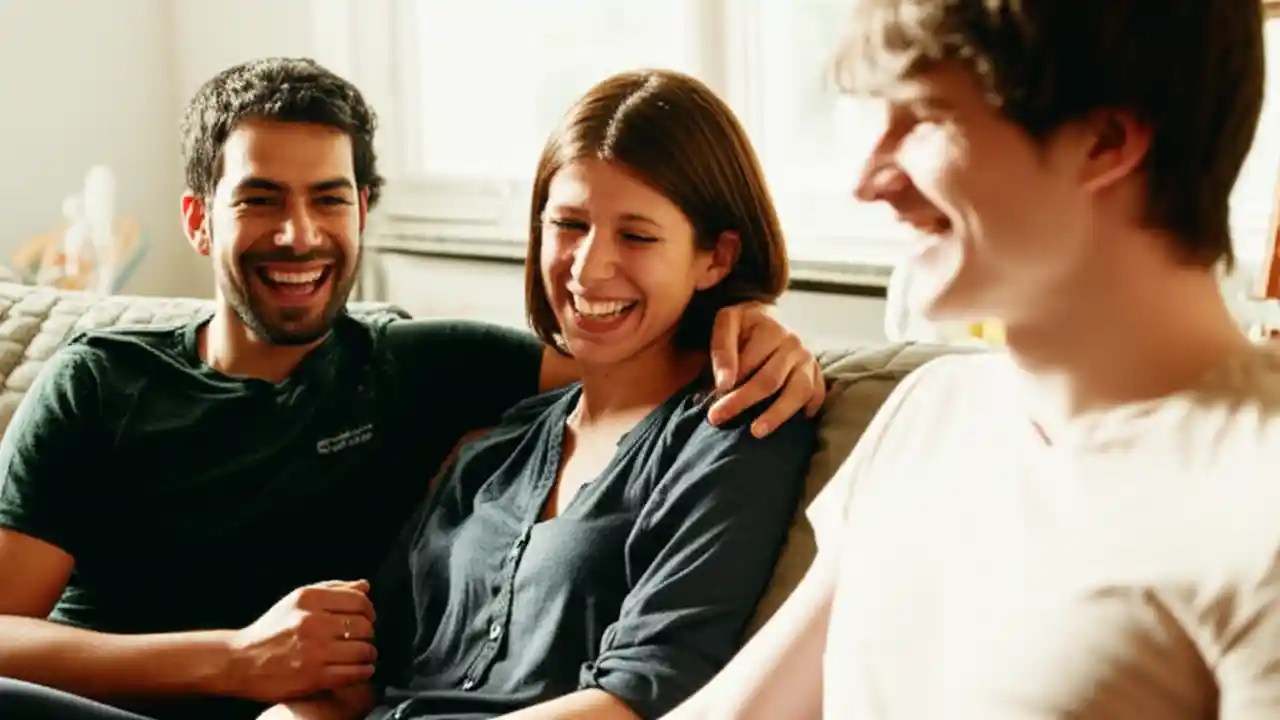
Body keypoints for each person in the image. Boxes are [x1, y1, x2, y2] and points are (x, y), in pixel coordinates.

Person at [0, 58, 826, 720]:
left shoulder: (421, 367)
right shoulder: (100, 382)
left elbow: (632, 348)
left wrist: (755, 325)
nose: (298, 233)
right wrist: (237, 662)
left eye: (328, 198)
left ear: (363, 210)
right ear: (198, 218)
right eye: (259, 199)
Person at [667, 0, 1280, 718]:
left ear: (1105, 141)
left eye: (925, 115)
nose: (869, 180)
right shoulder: (933, 408)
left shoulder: (1255, 496)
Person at [256, 68, 817, 720]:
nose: (587, 266)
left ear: (715, 258)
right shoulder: (498, 450)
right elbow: (361, 673)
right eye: (570, 224)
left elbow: (638, 698)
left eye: (636, 235)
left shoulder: (733, 431)